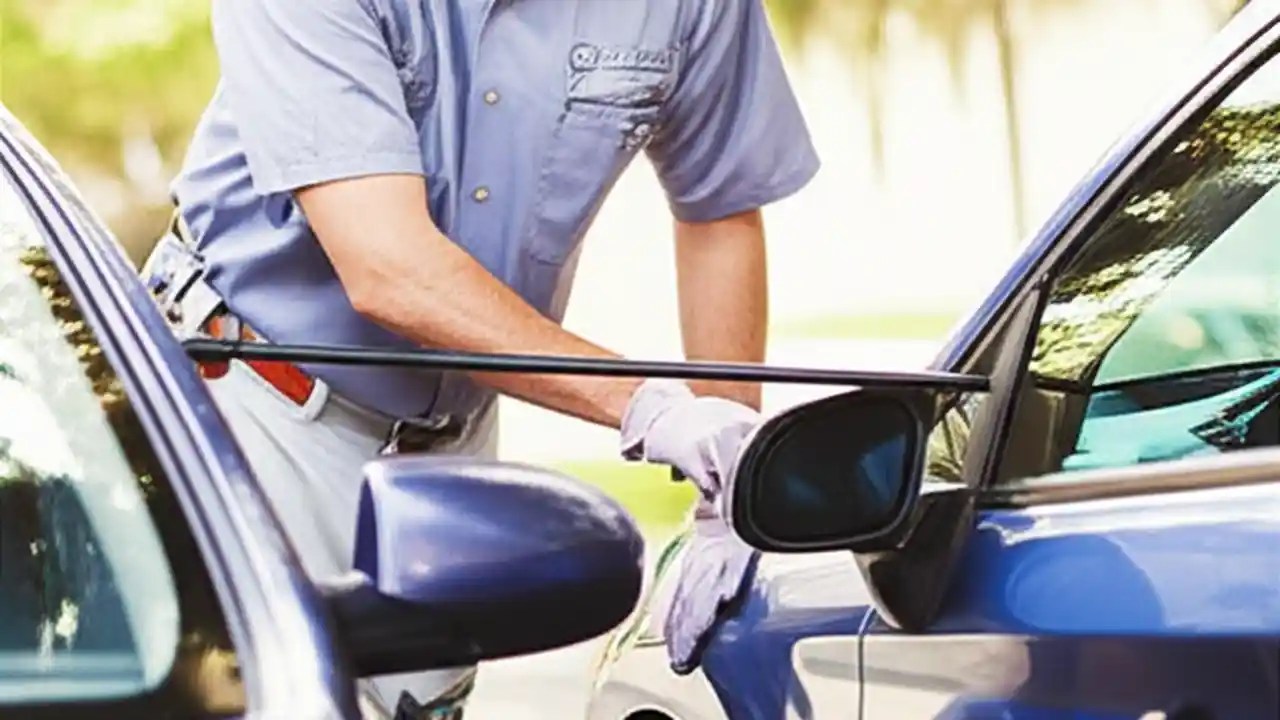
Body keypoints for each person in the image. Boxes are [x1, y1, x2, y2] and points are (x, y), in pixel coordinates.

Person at [142, 0, 819, 717]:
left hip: (450, 442)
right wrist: (649, 405)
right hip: (251, 406)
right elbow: (386, 267)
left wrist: (732, 485)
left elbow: (718, 210)